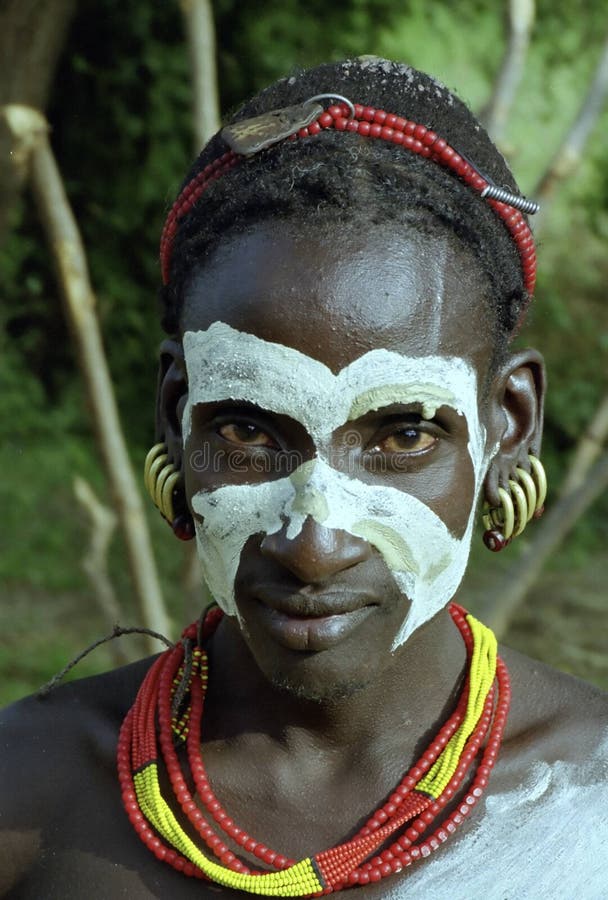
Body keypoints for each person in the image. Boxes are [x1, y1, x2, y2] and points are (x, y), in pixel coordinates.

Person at [1, 57, 606, 899]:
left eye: (403, 433)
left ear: (508, 425)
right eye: (249, 428)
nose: (314, 543)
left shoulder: (589, 805)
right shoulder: (28, 794)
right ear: (179, 411)